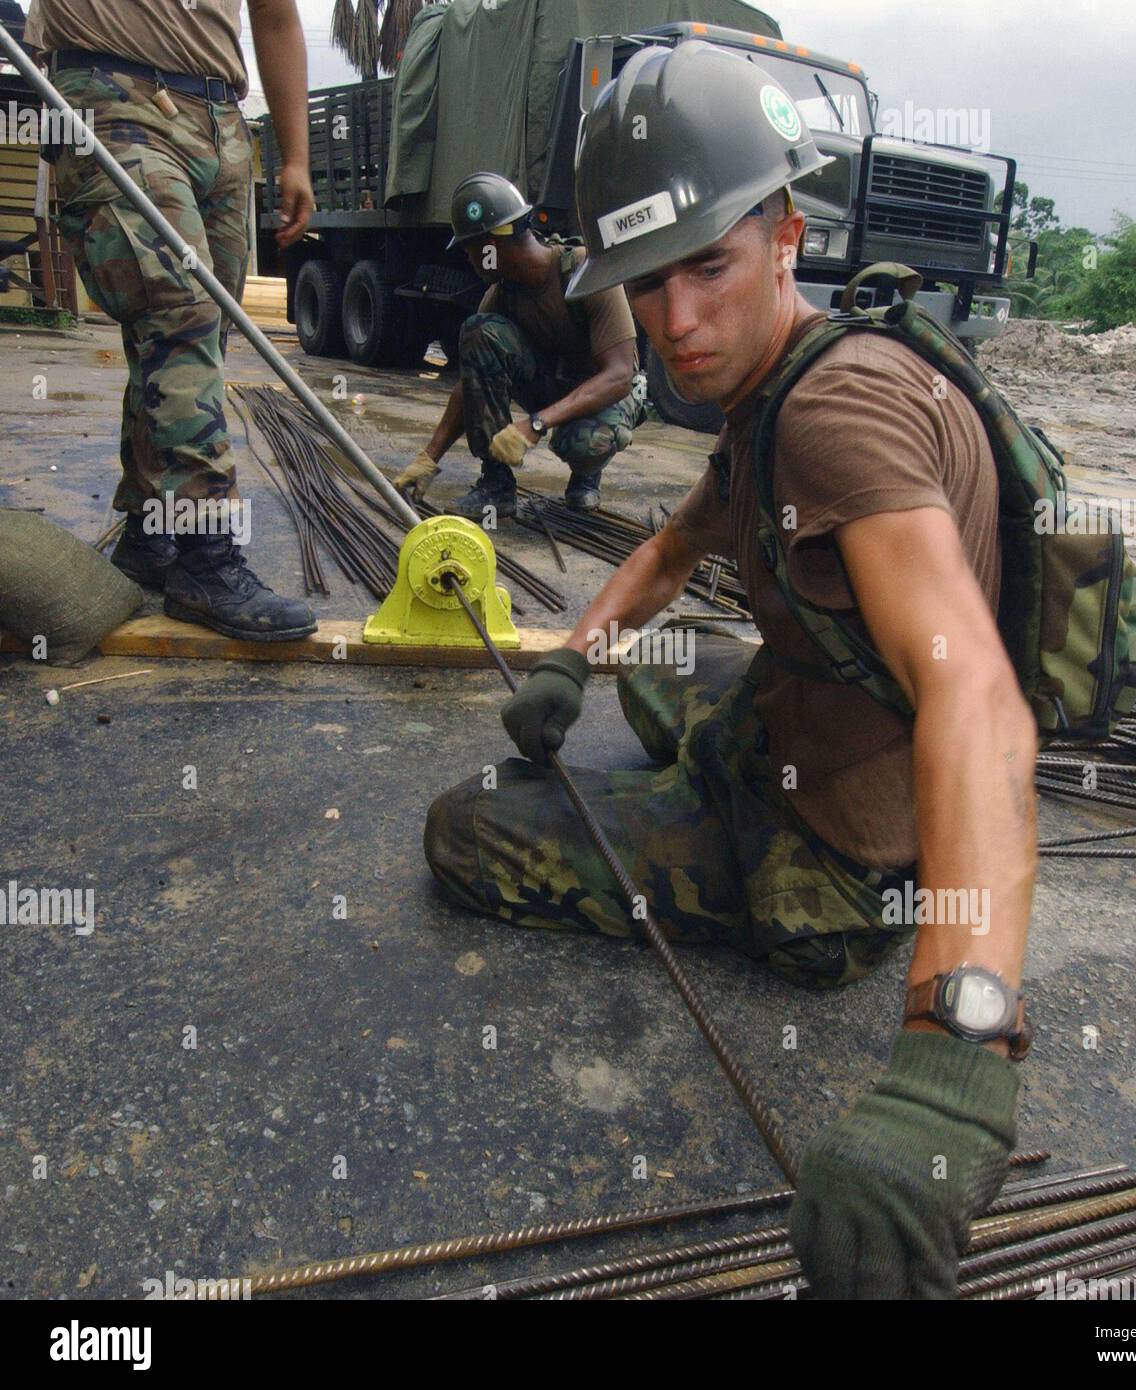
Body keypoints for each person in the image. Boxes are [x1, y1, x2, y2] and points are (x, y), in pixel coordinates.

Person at [424, 42, 1039, 1298]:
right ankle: (701, 754)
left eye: (709, 264)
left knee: (469, 828)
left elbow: (977, 694)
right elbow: (671, 545)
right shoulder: (780, 379)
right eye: (647, 281)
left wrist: (954, 1050)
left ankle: (794, 906)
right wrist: (577, 661)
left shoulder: (836, 414)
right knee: (665, 676)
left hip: (833, 865)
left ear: (785, 237)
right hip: (801, 731)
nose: (677, 321)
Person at [23, 0, 317, 639]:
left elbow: (275, 13)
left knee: (194, 335)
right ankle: (205, 554)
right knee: (181, 314)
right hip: (109, 94)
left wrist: (295, 156)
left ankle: (150, 531)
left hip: (221, 119)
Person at [394, 171, 643, 517]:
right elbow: (471, 386)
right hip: (555, 387)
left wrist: (537, 423)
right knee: (478, 331)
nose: (469, 260)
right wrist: (428, 458)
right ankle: (496, 484)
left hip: (605, 393)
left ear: (490, 249)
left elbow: (619, 375)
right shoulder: (500, 296)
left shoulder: (583, 272)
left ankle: (587, 475)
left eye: (470, 251)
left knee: (584, 443)